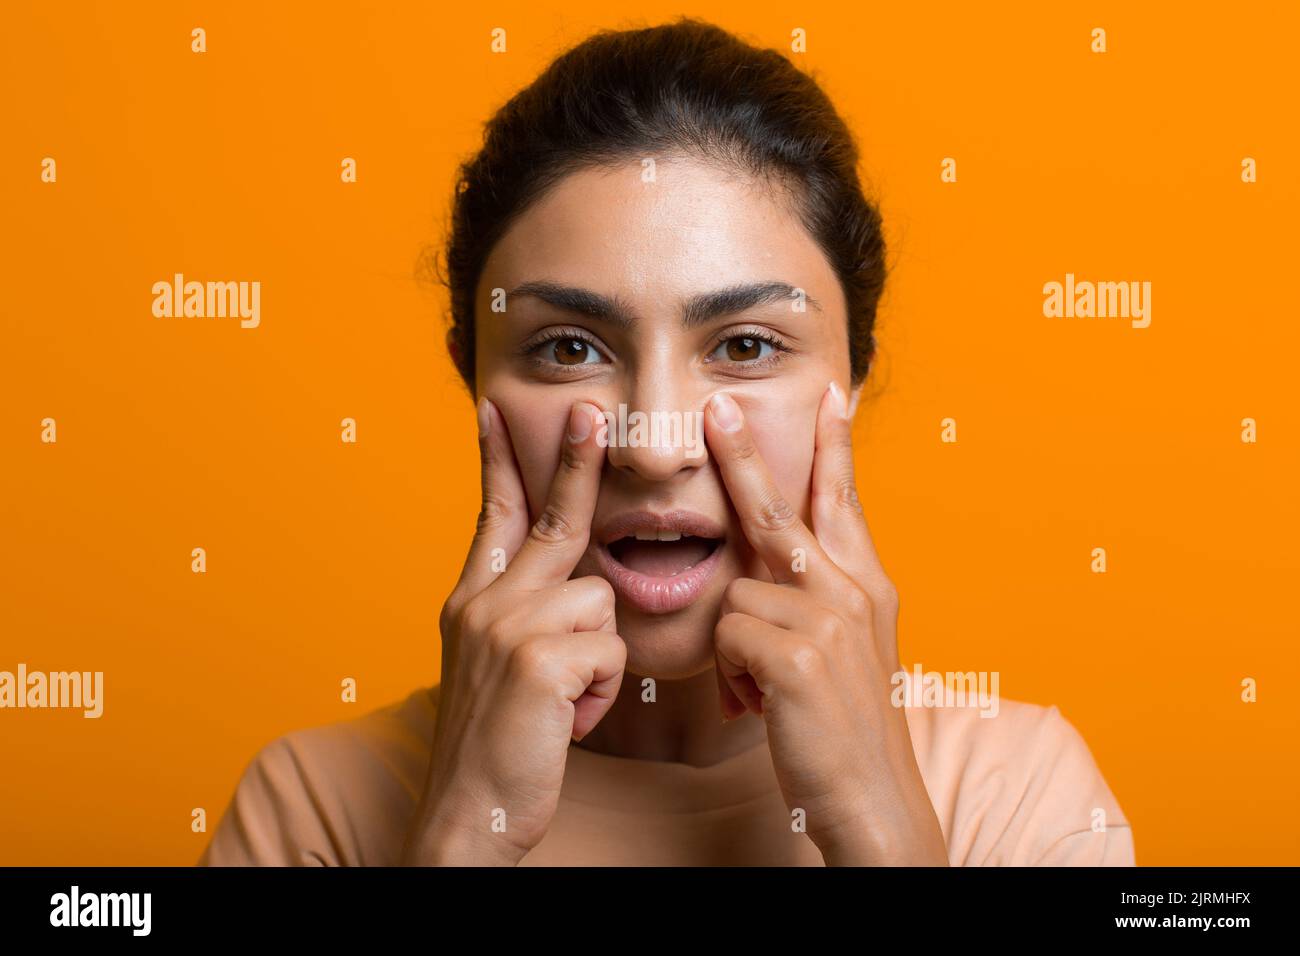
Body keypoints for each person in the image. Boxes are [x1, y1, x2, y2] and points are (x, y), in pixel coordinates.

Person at [200, 17, 1134, 867]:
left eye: (743, 347)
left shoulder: (1018, 795)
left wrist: (879, 821)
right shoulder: (312, 810)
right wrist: (463, 826)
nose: (652, 446)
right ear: (472, 377)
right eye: (570, 349)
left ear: (848, 378)